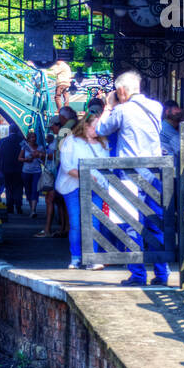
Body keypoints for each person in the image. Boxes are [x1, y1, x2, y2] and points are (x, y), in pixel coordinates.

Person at [96, 70, 169, 287]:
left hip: (128, 173)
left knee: (130, 224)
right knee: (155, 224)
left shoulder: (121, 110)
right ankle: (162, 274)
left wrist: (108, 106)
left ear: (121, 91)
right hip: (154, 172)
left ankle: (137, 274)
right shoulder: (156, 107)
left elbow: (101, 128)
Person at [57, 115, 112, 270]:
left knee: (94, 222)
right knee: (76, 223)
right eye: (95, 126)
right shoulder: (70, 141)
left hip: (95, 187)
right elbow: (67, 166)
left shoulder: (104, 143)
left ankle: (91, 258)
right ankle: (76, 257)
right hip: (73, 186)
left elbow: (107, 165)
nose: (98, 130)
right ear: (85, 125)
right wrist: (86, 175)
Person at [0, 126, 25, 215]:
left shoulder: (3, 141)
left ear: (10, 130)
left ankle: (10, 206)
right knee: (18, 187)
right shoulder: (22, 140)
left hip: (6, 168)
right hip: (19, 167)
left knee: (9, 187)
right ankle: (18, 206)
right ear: (17, 130)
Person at [19, 131, 44, 218]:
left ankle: (33, 210)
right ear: (28, 139)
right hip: (26, 171)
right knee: (28, 190)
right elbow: (19, 158)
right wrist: (26, 160)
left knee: (35, 190)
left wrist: (39, 155)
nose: (33, 139)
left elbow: (44, 160)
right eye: (31, 137)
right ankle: (31, 208)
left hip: (37, 172)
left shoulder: (40, 148)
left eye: (34, 137)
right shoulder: (24, 147)